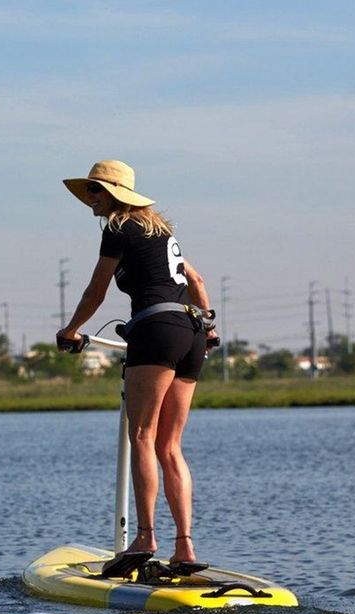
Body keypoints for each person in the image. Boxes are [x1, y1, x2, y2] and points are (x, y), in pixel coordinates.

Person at [57, 160, 217, 567]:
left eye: (94, 191)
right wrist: (210, 329)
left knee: (142, 435)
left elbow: (96, 290)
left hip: (157, 328)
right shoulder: (162, 234)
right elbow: (195, 282)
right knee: (170, 445)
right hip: (192, 330)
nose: (89, 199)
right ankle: (185, 548)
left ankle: (144, 539)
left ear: (110, 194)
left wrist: (72, 329)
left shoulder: (117, 228)